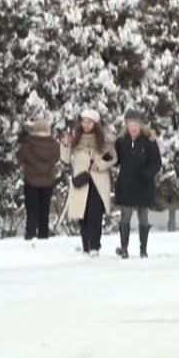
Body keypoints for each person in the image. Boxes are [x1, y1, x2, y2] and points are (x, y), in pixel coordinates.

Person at [61, 109, 116, 257]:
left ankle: (95, 246)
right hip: (81, 181)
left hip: (98, 182)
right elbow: (66, 160)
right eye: (83, 121)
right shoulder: (76, 139)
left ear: (95, 124)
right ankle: (85, 246)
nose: (85, 125)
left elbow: (112, 157)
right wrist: (65, 145)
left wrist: (99, 164)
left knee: (95, 215)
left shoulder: (104, 140)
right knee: (82, 215)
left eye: (89, 122)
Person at [114, 110, 161, 259]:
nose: (133, 128)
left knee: (143, 217)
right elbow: (116, 159)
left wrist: (148, 173)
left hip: (143, 184)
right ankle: (124, 248)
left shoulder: (149, 141)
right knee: (125, 216)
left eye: (135, 124)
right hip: (126, 183)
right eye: (130, 124)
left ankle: (143, 249)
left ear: (141, 125)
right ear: (126, 126)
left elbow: (156, 162)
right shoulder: (121, 141)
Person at [16, 118, 60, 241]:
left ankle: (30, 234)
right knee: (44, 210)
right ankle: (43, 234)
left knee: (32, 210)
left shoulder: (28, 144)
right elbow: (57, 158)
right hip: (48, 181)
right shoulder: (54, 145)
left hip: (31, 181)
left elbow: (19, 158)